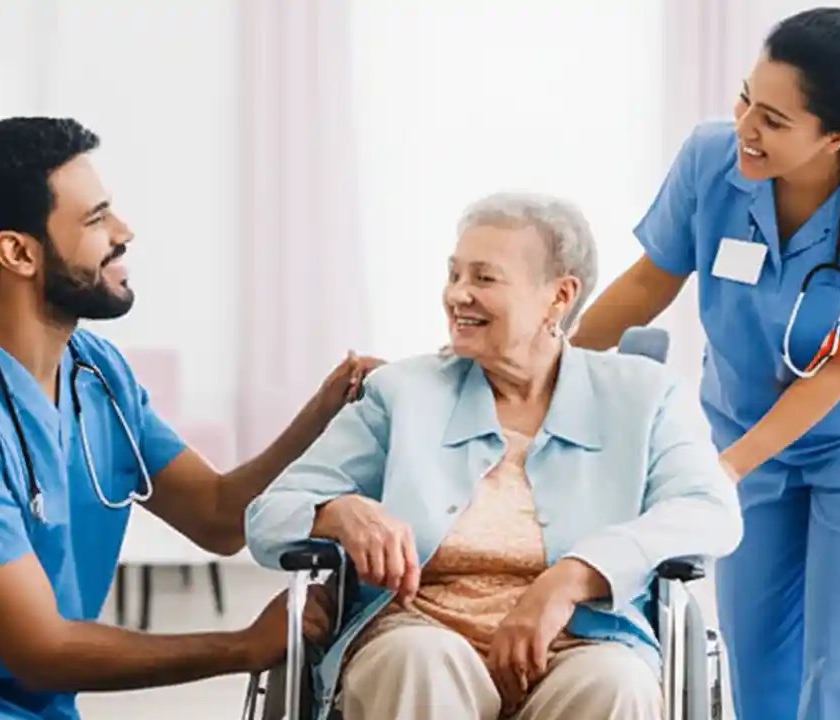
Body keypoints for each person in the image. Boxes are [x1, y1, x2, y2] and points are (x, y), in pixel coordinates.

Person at [0, 116, 381, 719]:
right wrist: (241, 647)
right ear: (18, 253)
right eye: (95, 219)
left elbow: (216, 516)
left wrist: (324, 411)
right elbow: (41, 651)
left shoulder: (97, 371)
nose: (124, 231)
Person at [569, 8, 840, 720]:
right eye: (746, 99)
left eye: (775, 120)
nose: (747, 127)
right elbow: (650, 281)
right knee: (759, 664)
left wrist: (726, 468)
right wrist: (552, 363)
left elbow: (838, 369)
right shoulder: (709, 161)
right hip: (743, 432)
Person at [245, 191, 744, 720]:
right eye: (454, 274)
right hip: (421, 631)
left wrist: (572, 578)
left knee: (617, 684)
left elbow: (710, 511)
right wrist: (339, 512)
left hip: (586, 640)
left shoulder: (644, 396)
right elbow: (268, 516)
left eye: (483, 278)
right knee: (413, 660)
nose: (458, 294)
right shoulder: (403, 393)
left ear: (559, 296)